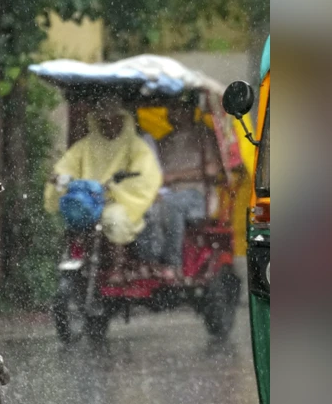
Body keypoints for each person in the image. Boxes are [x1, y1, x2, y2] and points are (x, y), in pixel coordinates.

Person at [45, 98, 163, 283]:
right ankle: (75, 258)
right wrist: (58, 176)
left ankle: (117, 266)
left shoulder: (136, 146)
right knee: (73, 217)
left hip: (118, 202)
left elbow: (144, 175)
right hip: (88, 200)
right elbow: (67, 165)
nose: (108, 125)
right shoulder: (86, 145)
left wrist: (118, 189)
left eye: (113, 120)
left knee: (115, 219)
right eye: (103, 121)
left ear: (122, 120)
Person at [145, 102, 221, 280]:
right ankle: (148, 262)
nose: (173, 112)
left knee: (172, 203)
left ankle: (173, 264)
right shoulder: (164, 141)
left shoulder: (203, 135)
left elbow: (212, 169)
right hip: (166, 195)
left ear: (189, 111)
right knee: (144, 207)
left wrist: (175, 176)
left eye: (179, 108)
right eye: (171, 108)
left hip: (197, 195)